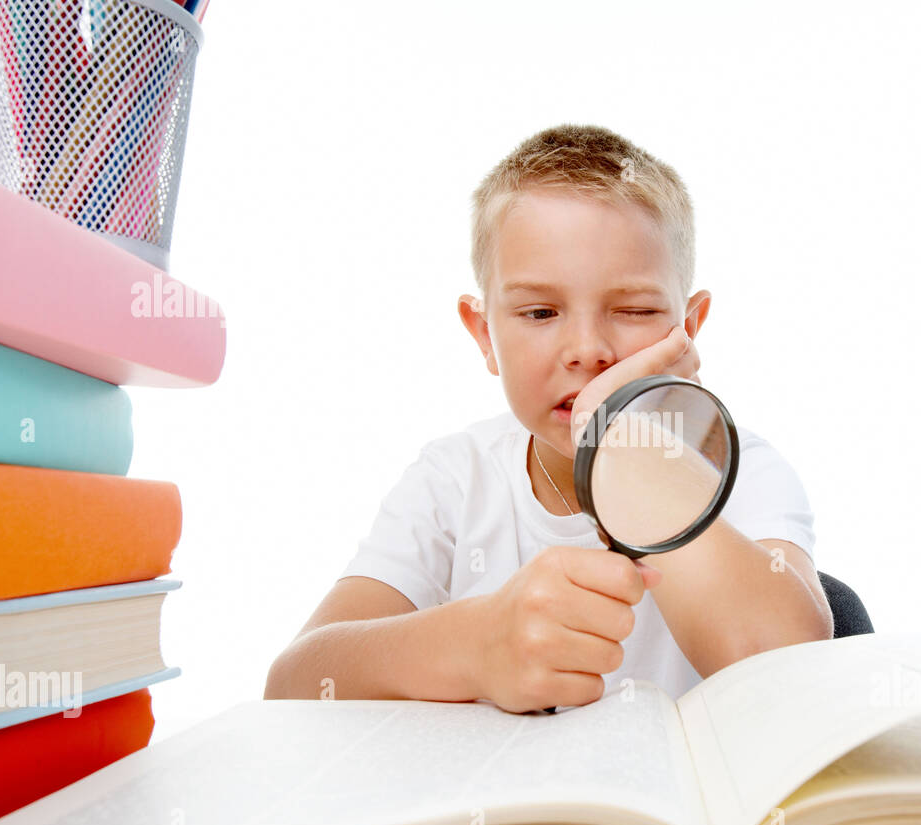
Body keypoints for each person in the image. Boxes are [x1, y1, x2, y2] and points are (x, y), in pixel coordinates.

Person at [264, 124, 832, 713]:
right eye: (540, 312)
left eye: (634, 309)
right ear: (485, 334)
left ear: (689, 328)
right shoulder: (454, 481)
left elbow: (792, 675)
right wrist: (475, 646)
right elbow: (295, 684)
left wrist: (623, 449)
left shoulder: (745, 471)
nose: (587, 349)